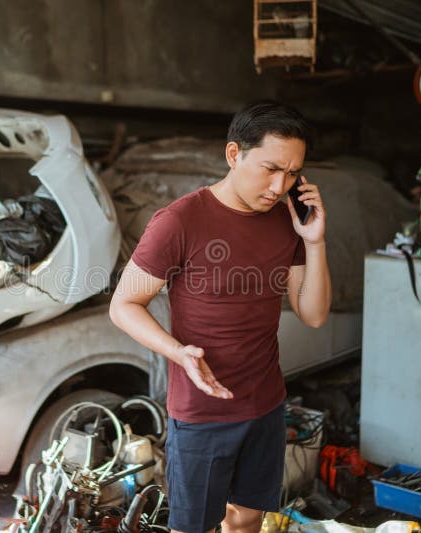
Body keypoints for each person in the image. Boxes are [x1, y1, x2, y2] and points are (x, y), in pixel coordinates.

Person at [109, 100, 331, 533]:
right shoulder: (179, 221)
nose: (279, 185)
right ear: (234, 155)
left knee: (247, 518)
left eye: (291, 173)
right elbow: (123, 305)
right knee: (195, 527)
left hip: (266, 403)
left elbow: (314, 313)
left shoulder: (289, 222)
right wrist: (178, 352)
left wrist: (316, 240)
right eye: (270, 168)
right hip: (201, 412)